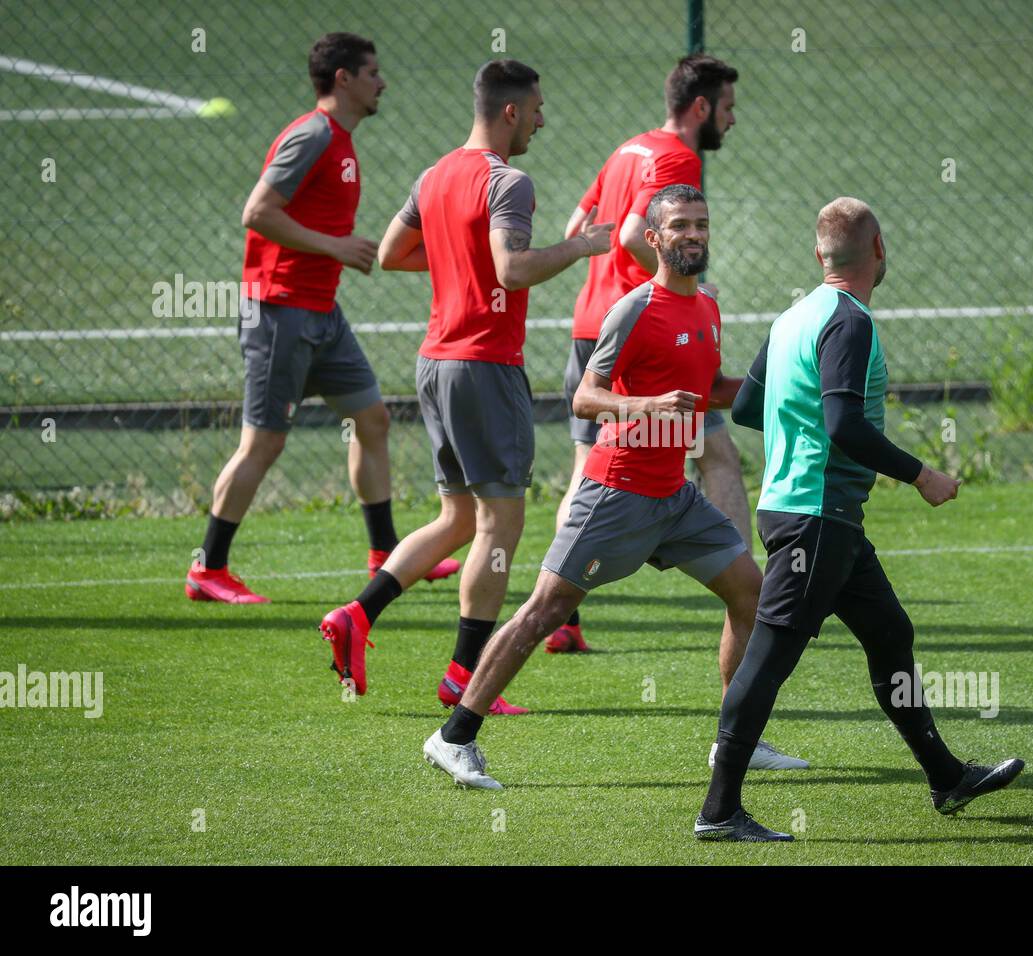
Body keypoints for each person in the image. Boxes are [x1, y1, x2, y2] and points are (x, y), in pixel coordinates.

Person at [422, 185, 805, 789]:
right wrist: (649, 403)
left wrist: (781, 384)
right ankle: (454, 736)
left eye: (702, 223)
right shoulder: (634, 308)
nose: (694, 234)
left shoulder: (706, 306)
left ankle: (737, 740)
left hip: (674, 498)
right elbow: (584, 397)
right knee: (543, 612)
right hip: (615, 494)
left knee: (749, 594)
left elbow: (710, 388)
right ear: (653, 239)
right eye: (680, 225)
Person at [693, 198, 1024, 841]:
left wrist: (802, 427)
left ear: (820, 255)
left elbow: (750, 407)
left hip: (813, 513)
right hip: (816, 518)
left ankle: (946, 776)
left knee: (890, 633)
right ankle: (719, 811)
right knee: (767, 659)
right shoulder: (851, 322)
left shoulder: (793, 317)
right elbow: (844, 425)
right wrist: (922, 475)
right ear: (878, 249)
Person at [317, 60, 613, 705]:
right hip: (484, 366)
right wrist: (584, 247)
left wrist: (460, 259)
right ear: (510, 111)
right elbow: (512, 270)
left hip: (436, 363)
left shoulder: (435, 174)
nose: (542, 118)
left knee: (456, 517)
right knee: (499, 524)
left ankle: (357, 614)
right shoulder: (509, 181)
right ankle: (465, 675)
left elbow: (394, 254)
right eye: (537, 107)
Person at [185, 33, 459, 605]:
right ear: (343, 79)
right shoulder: (312, 135)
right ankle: (208, 567)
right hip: (279, 313)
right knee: (262, 444)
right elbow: (257, 213)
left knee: (373, 419)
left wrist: (334, 252)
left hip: (320, 314)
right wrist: (334, 247)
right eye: (372, 72)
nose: (382, 82)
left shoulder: (341, 141)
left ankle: (385, 553)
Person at [544, 54, 748, 655]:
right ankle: (746, 587)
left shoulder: (628, 148)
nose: (733, 121)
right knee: (720, 458)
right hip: (650, 332)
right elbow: (636, 235)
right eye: (729, 107)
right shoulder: (680, 157)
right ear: (702, 107)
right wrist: (672, 295)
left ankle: (564, 612)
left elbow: (581, 222)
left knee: (588, 467)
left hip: (592, 320)